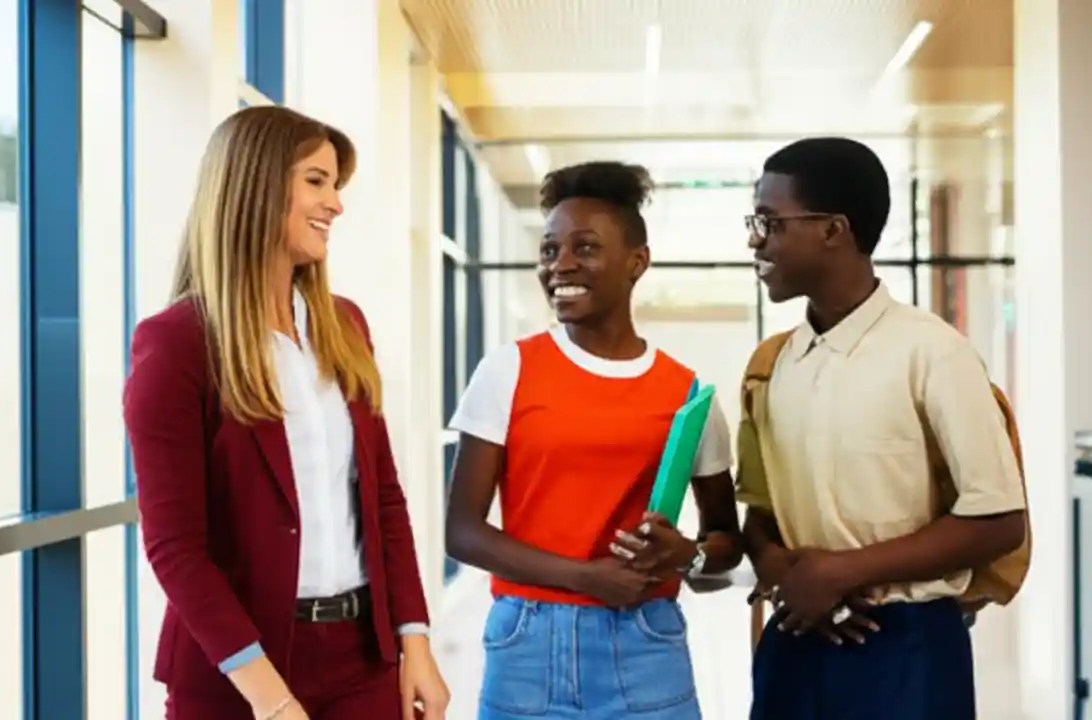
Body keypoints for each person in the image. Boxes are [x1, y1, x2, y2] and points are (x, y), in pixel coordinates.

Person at [123, 106, 449, 720]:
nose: (336, 204)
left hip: (362, 663)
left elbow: (383, 500)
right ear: (257, 184)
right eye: (316, 181)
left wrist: (415, 640)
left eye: (336, 185)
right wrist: (270, 701)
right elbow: (175, 548)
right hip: (237, 673)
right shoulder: (178, 343)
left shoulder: (344, 325)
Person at [737, 137, 1028, 720]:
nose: (755, 239)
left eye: (769, 221)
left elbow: (998, 519)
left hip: (908, 646)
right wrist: (792, 579)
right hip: (798, 631)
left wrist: (841, 573)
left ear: (833, 229)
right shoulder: (771, 366)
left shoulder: (933, 353)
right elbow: (760, 519)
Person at [444, 161, 744, 719]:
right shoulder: (508, 370)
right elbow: (461, 532)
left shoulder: (687, 395)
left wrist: (688, 554)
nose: (561, 265)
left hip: (646, 646)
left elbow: (724, 547)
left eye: (584, 248)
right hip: (527, 647)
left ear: (637, 262)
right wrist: (586, 578)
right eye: (550, 250)